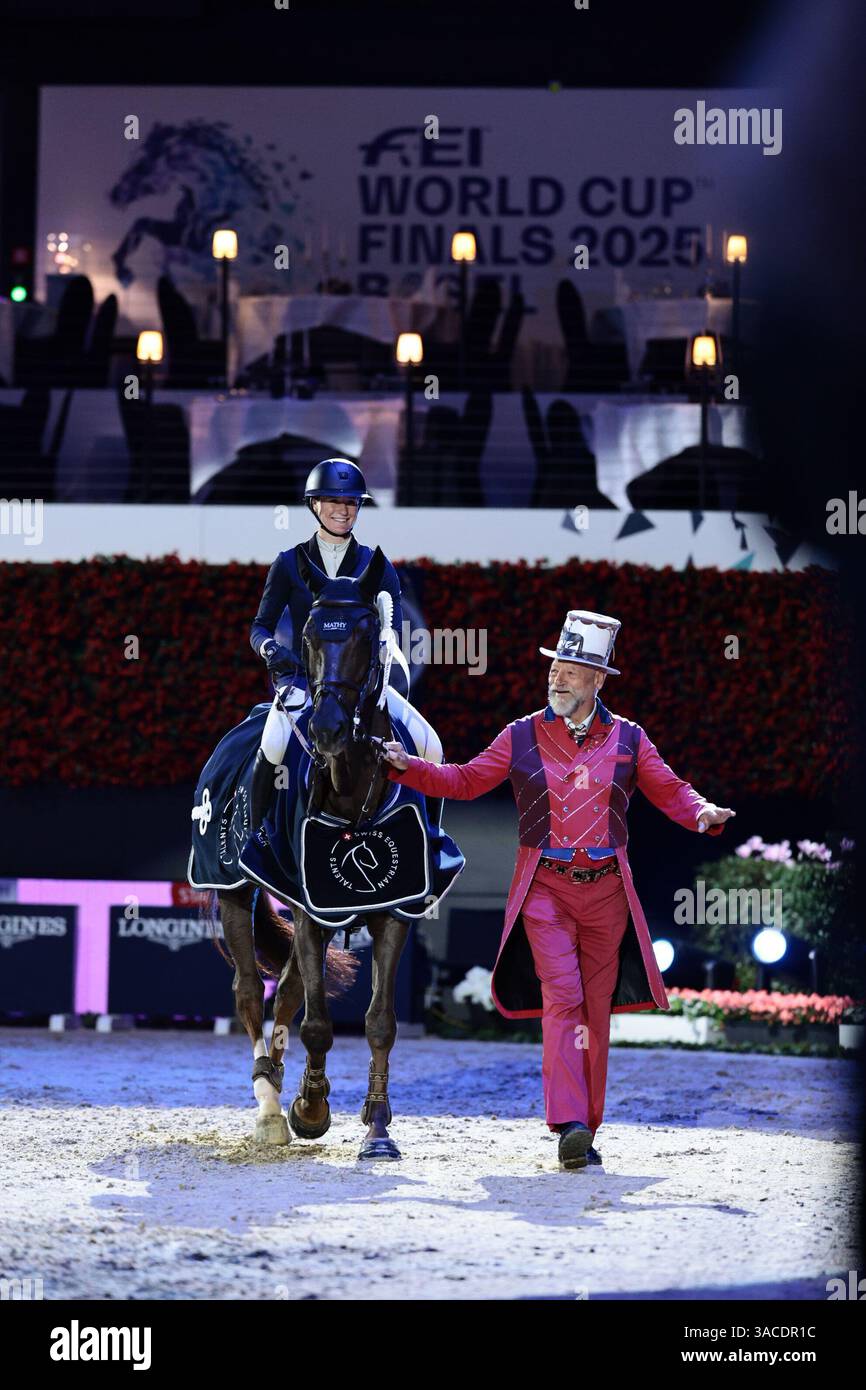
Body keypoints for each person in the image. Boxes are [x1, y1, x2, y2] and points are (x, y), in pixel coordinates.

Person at [383, 609, 735, 1170]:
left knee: (596, 1014)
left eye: (574, 668)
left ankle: (585, 1131)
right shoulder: (520, 735)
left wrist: (702, 813)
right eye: (556, 666)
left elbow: (672, 789)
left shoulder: (629, 739)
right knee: (564, 998)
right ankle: (567, 1119)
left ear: (599, 679)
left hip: (608, 894)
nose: (560, 677)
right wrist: (409, 769)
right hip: (545, 890)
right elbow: (467, 779)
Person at [248, 457, 442, 838]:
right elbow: (260, 626)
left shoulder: (375, 564)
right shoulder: (289, 564)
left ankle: (430, 842)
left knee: (431, 747)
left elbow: (392, 626)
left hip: (361, 686)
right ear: (314, 506)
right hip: (308, 680)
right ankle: (259, 838)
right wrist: (269, 649)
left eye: (351, 502)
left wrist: (389, 664)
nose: (343, 510)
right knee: (272, 742)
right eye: (333, 501)